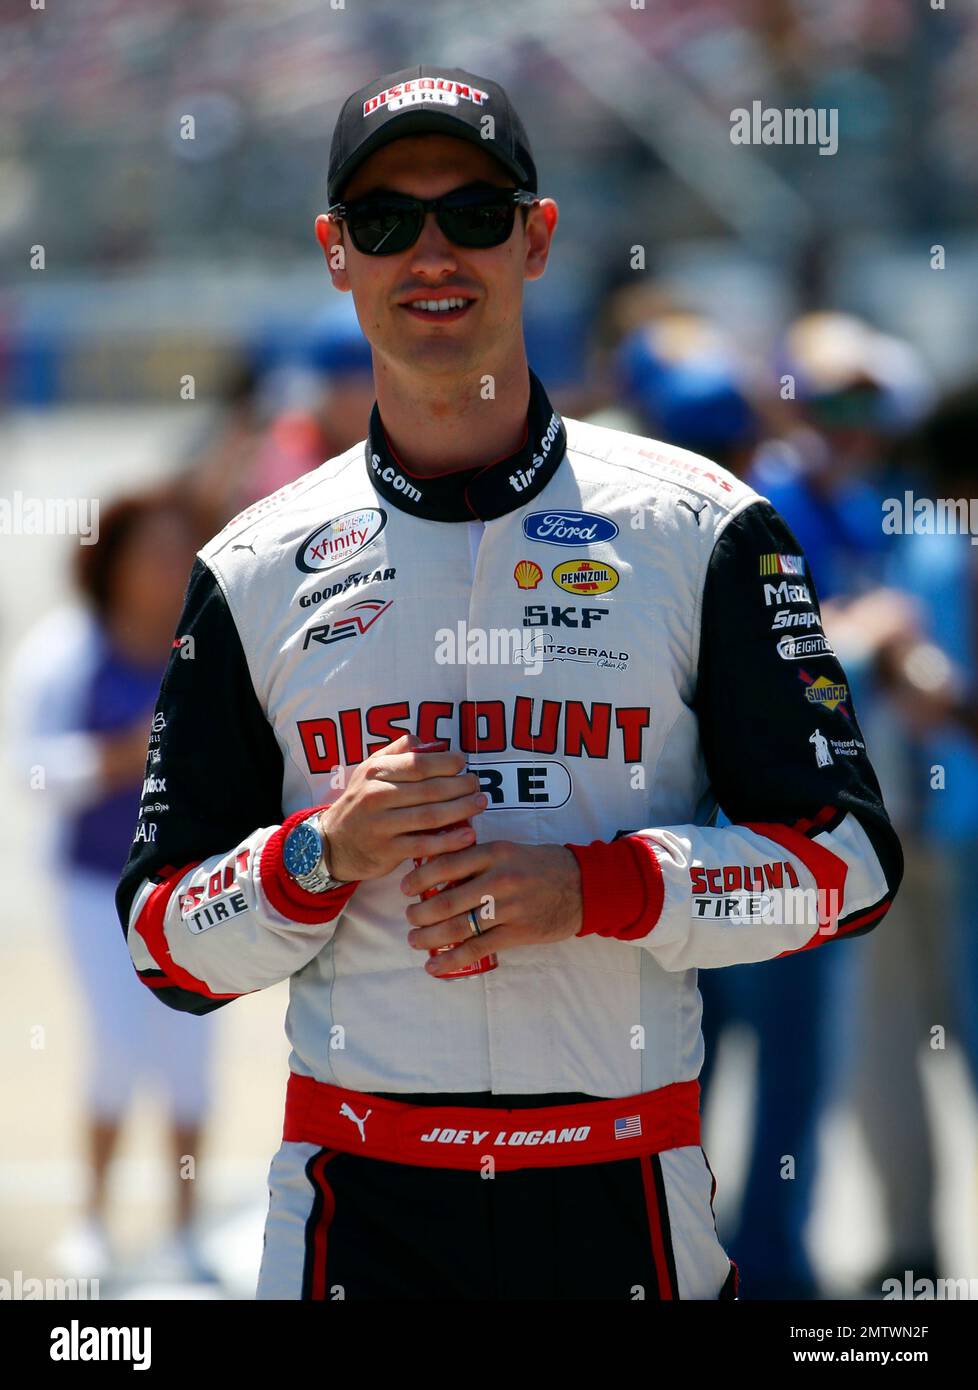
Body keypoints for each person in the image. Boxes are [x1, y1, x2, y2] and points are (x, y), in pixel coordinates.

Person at [115, 65, 903, 1301]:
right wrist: (319, 855)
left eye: (473, 212)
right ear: (336, 253)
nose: (432, 251)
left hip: (628, 1196)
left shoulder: (706, 526)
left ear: (535, 236)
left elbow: (848, 868)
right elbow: (163, 943)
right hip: (353, 1207)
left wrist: (599, 888)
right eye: (386, 221)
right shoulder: (251, 566)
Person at [7, 490, 216, 1280]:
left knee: (192, 1052)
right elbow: (31, 773)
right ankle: (93, 1219)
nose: (167, 571)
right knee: (119, 1049)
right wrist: (121, 755)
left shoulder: (207, 640)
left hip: (191, 885)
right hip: (94, 885)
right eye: (151, 555)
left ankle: (186, 1231)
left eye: (179, 554)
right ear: (114, 564)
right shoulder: (67, 651)